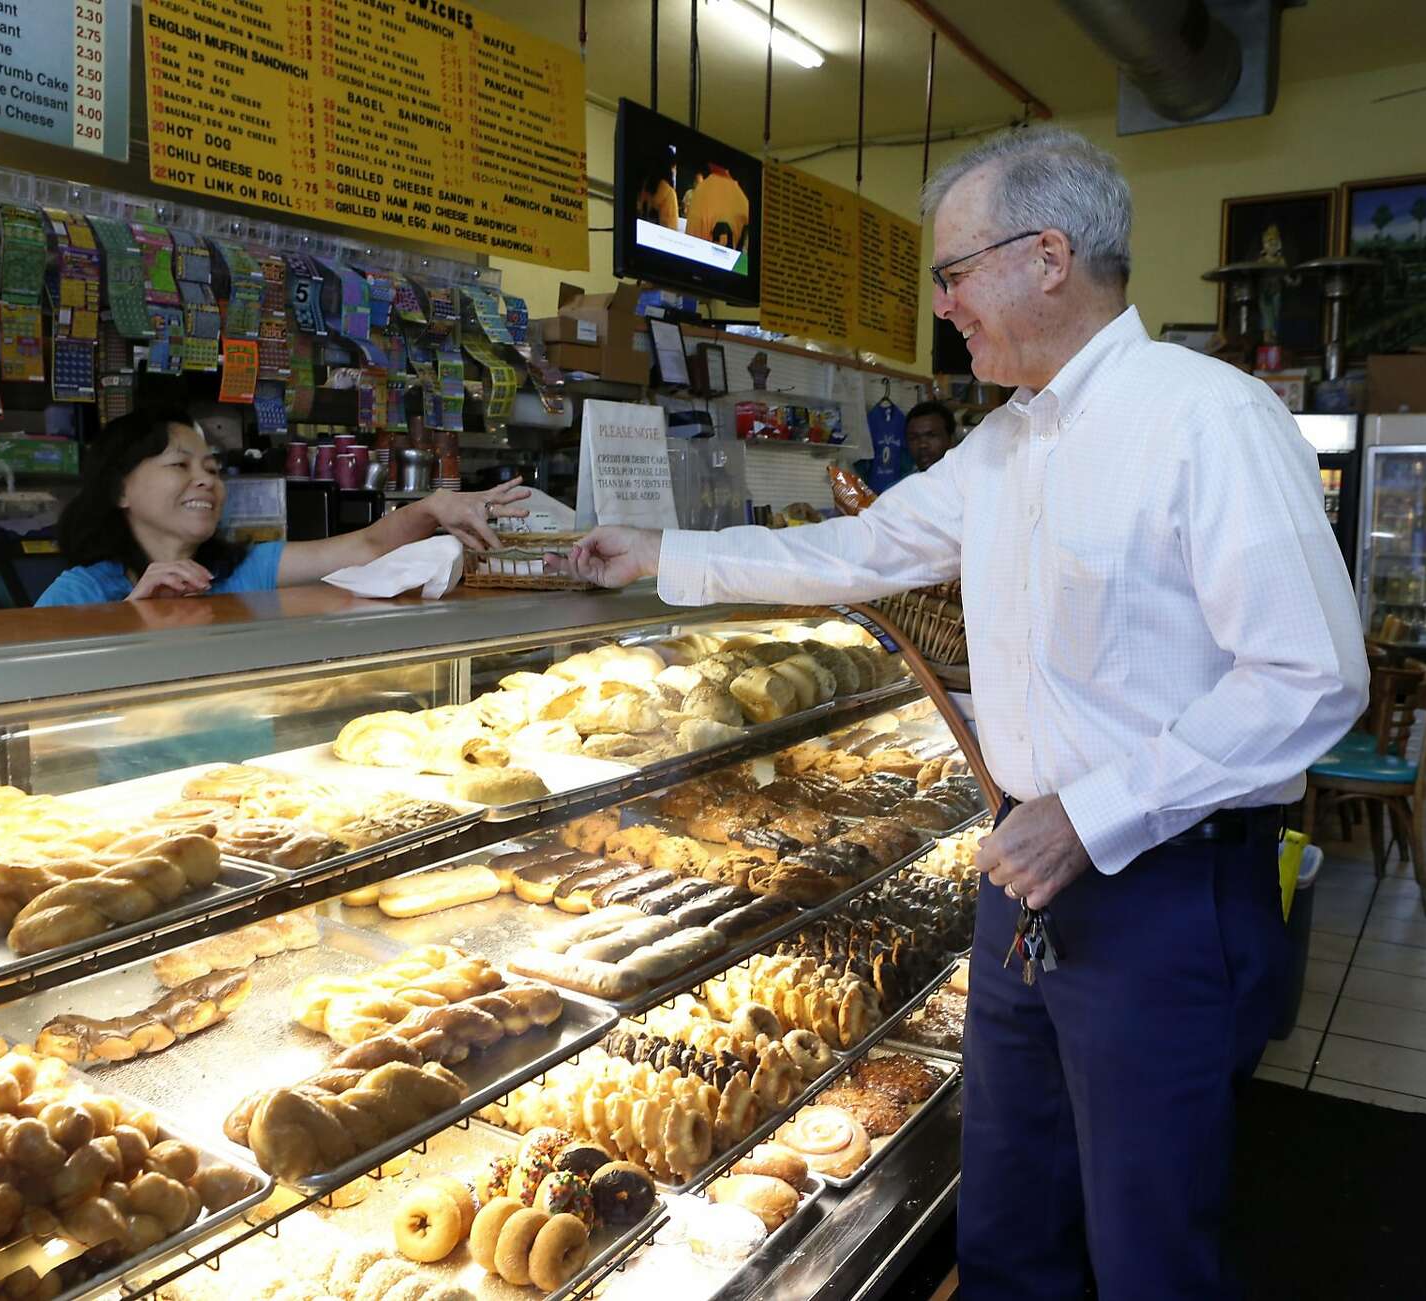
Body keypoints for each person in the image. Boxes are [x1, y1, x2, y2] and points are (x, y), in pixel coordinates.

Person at [553, 125, 1366, 1299]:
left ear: (1046, 256)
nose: (944, 309)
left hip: (1165, 889)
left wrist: (1091, 814)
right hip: (1027, 876)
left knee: (1147, 1245)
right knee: (1009, 1214)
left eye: (952, 274)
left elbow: (1311, 675)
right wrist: (659, 549)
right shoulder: (1010, 440)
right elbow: (865, 547)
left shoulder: (1208, 419)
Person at [37, 406, 528, 606]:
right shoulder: (79, 592)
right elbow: (30, 706)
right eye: (180, 465)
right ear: (119, 490)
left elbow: (367, 544)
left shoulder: (243, 568)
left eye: (211, 468)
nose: (204, 480)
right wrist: (132, 617)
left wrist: (434, 507)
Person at [904, 398, 957, 472]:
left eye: (931, 436)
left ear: (951, 439)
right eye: (914, 438)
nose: (922, 445)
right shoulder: (905, 483)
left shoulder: (971, 480)